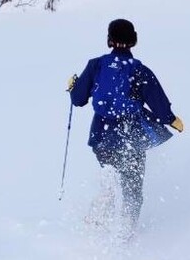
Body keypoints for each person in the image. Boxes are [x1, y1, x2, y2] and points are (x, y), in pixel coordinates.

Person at [68, 18, 183, 235]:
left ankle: (99, 218)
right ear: (133, 41)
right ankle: (126, 232)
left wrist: (73, 87)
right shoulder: (139, 70)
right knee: (132, 185)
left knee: (109, 173)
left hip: (102, 133)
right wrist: (171, 119)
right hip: (132, 135)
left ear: (109, 40)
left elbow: (78, 99)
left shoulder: (96, 65)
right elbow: (158, 102)